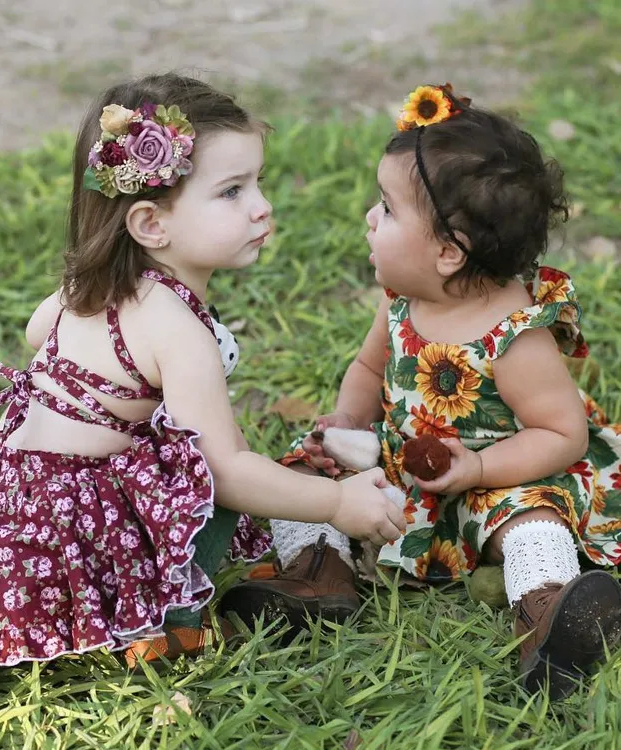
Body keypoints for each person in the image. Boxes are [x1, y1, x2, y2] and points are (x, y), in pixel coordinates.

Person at [0, 73, 407, 673]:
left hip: (11, 504)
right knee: (211, 471)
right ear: (152, 225)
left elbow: (35, 333)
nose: (263, 207)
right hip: (69, 531)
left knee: (175, 451)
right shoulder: (179, 330)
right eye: (232, 192)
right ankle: (165, 626)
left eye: (257, 183)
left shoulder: (88, 282)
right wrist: (336, 503)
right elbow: (225, 471)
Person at [222, 83, 621, 701]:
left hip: (504, 472)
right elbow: (366, 366)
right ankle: (318, 574)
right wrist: (344, 422)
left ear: (446, 252)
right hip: (402, 466)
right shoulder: (402, 302)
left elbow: (561, 434)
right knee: (302, 471)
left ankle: (548, 611)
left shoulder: (513, 337)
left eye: (386, 208)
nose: (368, 218)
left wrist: (480, 466)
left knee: (531, 521)